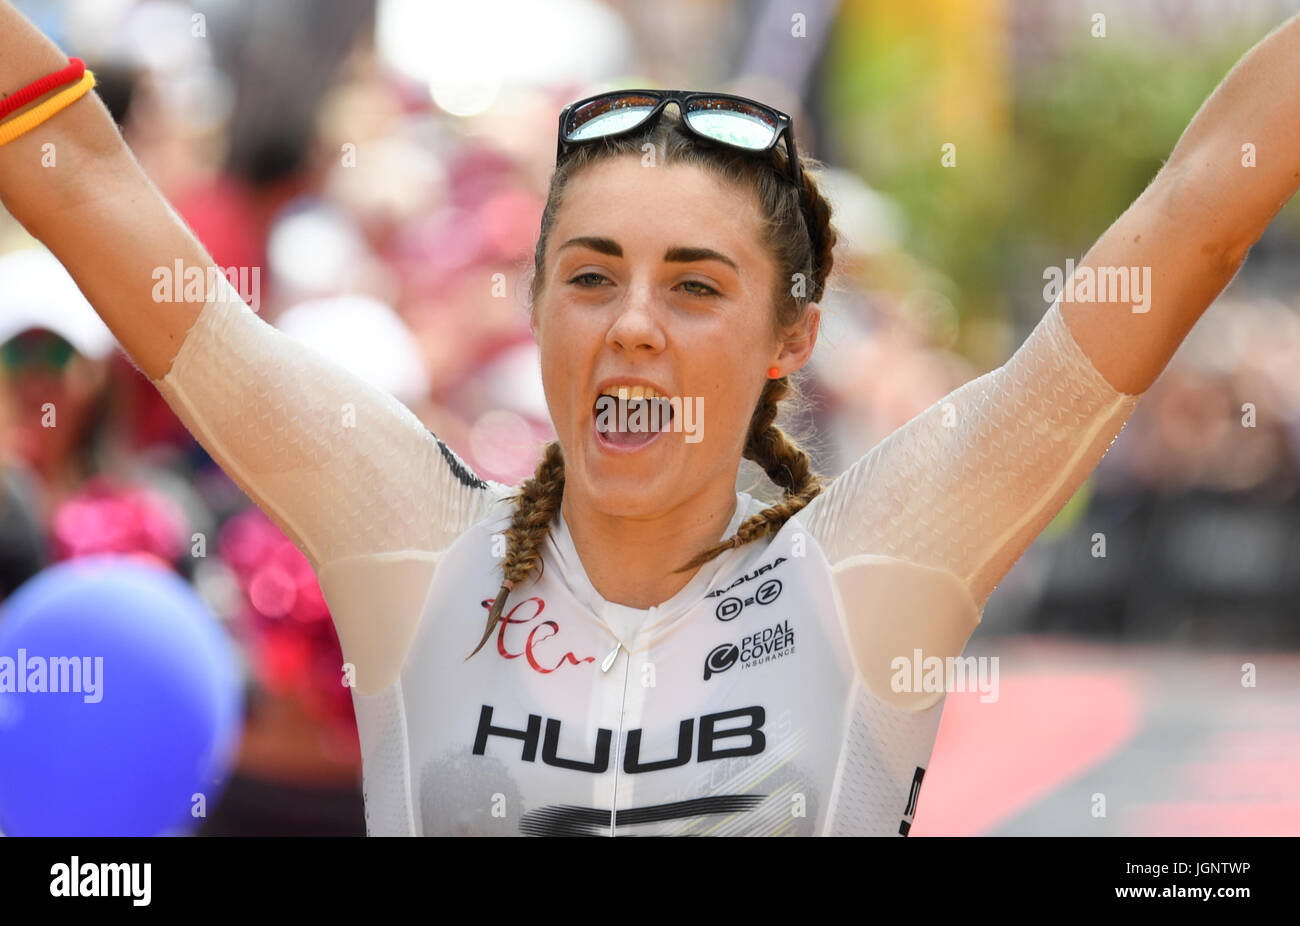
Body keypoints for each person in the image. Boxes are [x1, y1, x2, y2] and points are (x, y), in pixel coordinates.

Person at [3, 5, 1299, 836]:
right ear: (535, 309)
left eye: (694, 283)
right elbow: (90, 197)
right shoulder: (406, 530)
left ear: (793, 337)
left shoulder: (880, 560)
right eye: (589, 274)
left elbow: (1195, 208)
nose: (631, 321)